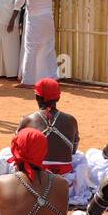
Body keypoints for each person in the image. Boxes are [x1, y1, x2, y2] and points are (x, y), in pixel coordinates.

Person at [10, 77, 91, 206]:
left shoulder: (27, 120)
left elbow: (17, 150)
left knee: (5, 155)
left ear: (37, 97)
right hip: (64, 185)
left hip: (35, 182)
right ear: (58, 98)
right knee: (83, 157)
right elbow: (73, 151)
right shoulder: (71, 120)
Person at [6, 0, 57, 89]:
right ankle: (53, 77)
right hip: (48, 18)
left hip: (35, 20)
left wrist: (12, 20)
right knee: (49, 47)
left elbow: (18, 4)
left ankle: (28, 80)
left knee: (30, 49)